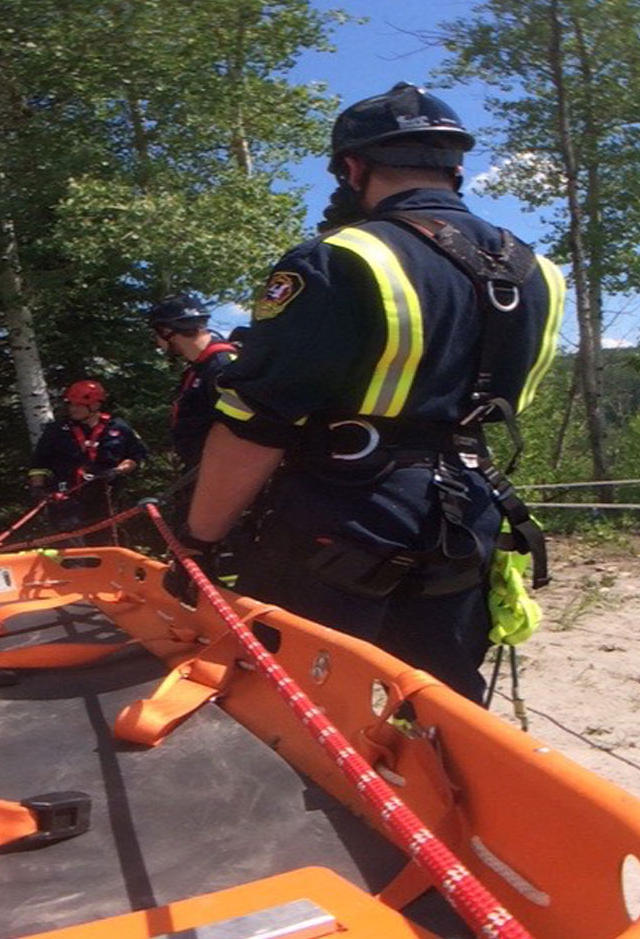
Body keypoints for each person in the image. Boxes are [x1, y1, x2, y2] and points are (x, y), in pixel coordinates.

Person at [178, 83, 565, 705]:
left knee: (302, 709)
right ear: (456, 168)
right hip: (470, 514)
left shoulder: (339, 259)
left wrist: (198, 542)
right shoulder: (536, 270)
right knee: (444, 709)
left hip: (343, 517)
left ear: (352, 168)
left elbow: (256, 421)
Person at [26, 379, 149, 534]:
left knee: (104, 543)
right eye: (71, 404)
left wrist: (117, 471)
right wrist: (38, 488)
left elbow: (136, 456)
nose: (73, 409)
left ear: (95, 405)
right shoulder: (56, 430)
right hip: (66, 498)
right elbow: (39, 463)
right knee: (70, 546)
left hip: (105, 497)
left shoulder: (118, 428)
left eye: (78, 405)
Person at [145, 293, 239, 471]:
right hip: (201, 473)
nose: (156, 342)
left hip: (220, 476)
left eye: (156, 334)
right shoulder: (198, 369)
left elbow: (242, 434)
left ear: (166, 332)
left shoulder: (222, 368)